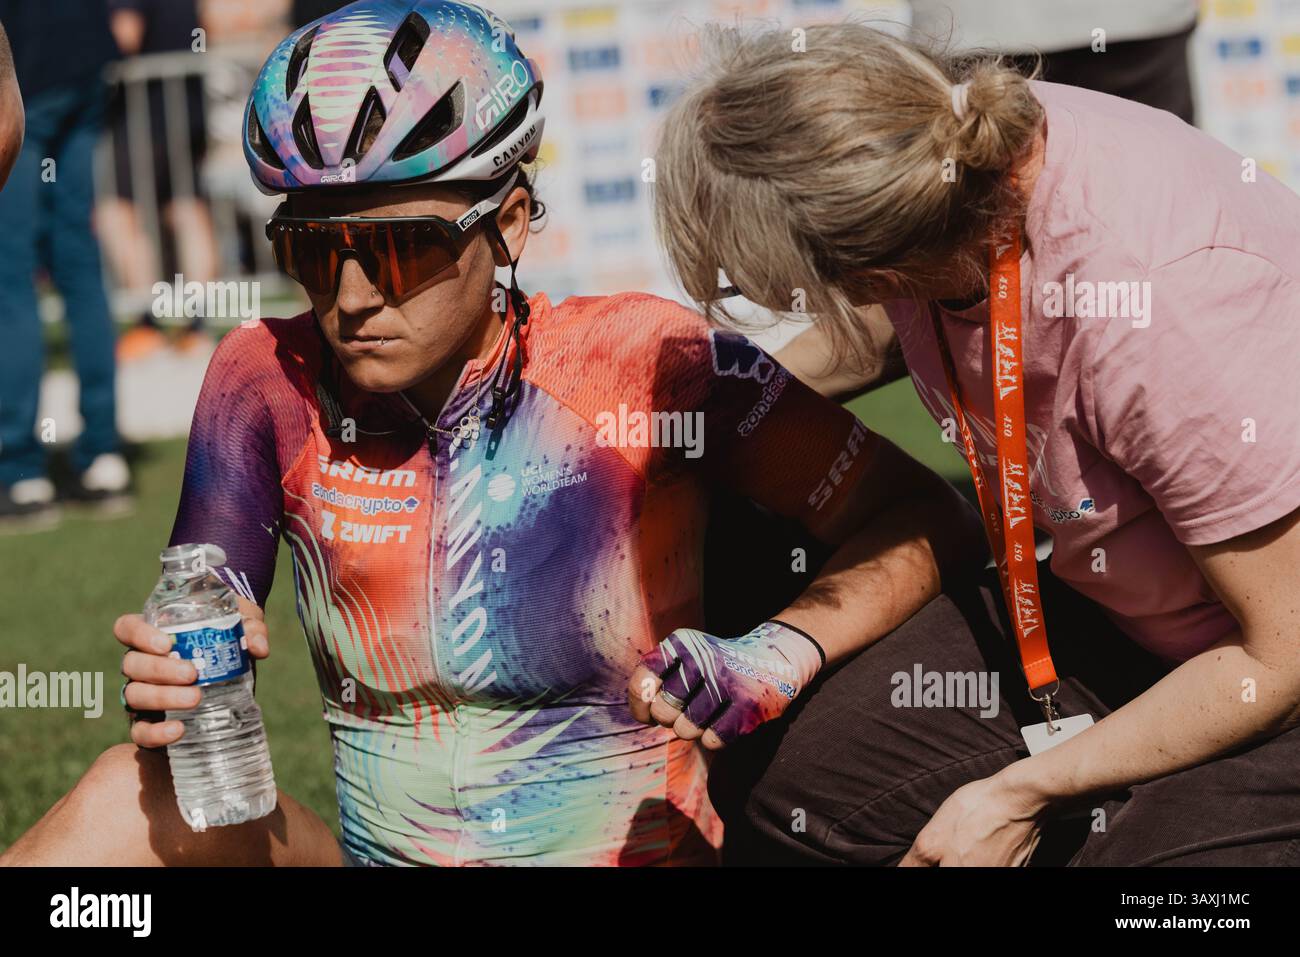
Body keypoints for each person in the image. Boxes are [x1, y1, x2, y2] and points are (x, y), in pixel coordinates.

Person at [0, 2, 983, 867]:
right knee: (126, 799)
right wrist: (170, 674)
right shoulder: (262, 376)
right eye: (311, 248)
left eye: (397, 249)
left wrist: (777, 652)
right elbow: (196, 612)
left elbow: (918, 511)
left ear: (508, 222)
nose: (349, 297)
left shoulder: (648, 360)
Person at [649, 22, 1300, 865]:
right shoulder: (944, 167)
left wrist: (1021, 792)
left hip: (1265, 659)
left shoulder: (1156, 306)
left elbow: (1280, 655)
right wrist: (708, 412)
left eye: (793, 285)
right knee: (802, 796)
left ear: (867, 263)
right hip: (1126, 602)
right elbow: (897, 317)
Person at [0, 0, 132, 533]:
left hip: (23, 73)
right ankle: (103, 455)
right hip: (81, 64)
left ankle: (20, 468)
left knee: (11, 278)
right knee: (80, 270)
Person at [101, 0, 220, 361]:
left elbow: (125, 35)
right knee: (186, 208)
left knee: (118, 213)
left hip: (148, 111)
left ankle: (147, 324)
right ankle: (198, 326)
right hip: (184, 103)